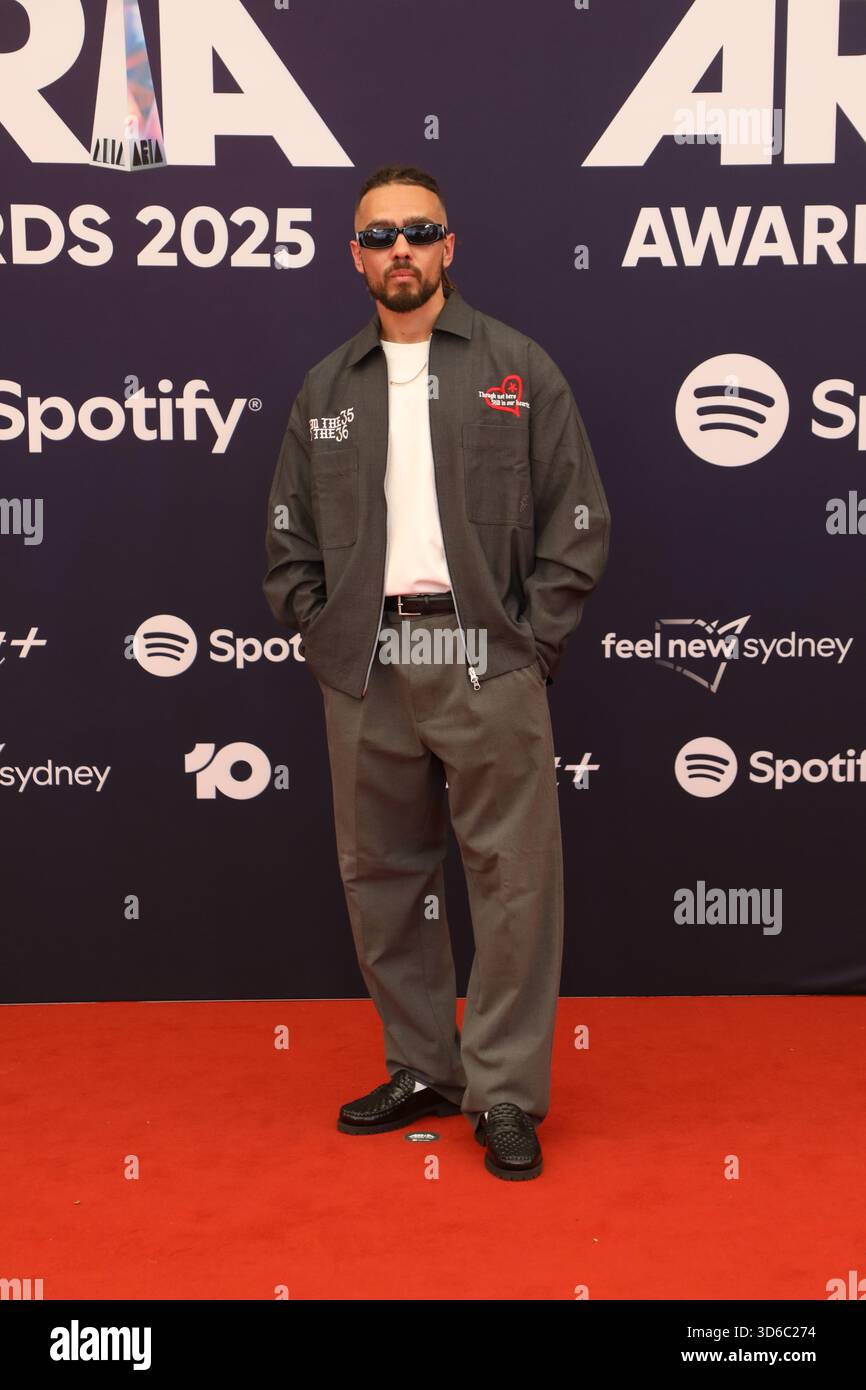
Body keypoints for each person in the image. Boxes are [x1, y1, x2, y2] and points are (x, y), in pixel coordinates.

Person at [263, 164, 611, 1180]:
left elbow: (577, 518)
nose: (399, 250)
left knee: (512, 880)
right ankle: (422, 1065)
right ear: (356, 256)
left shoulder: (516, 366)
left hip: (481, 658)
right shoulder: (327, 386)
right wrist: (321, 632)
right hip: (368, 664)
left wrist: (528, 644)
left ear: (448, 247)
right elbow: (287, 536)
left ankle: (502, 1089)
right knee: (381, 882)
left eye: (419, 231)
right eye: (380, 236)